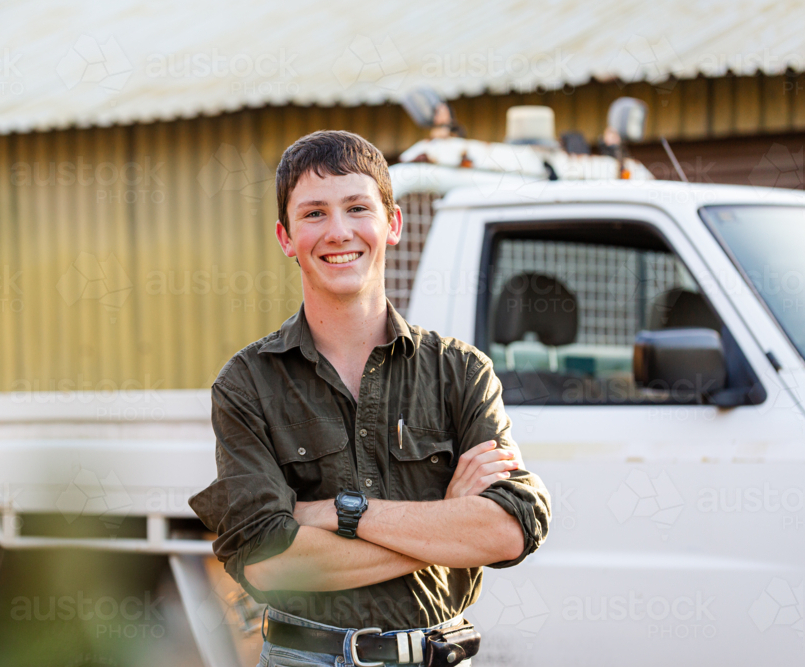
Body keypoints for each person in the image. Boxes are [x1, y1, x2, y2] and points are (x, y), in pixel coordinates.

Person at [189, 130, 550, 667]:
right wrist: (447, 520)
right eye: (314, 214)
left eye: (358, 207)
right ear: (286, 237)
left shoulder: (460, 372)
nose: (338, 232)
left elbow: (508, 528)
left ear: (393, 224)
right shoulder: (248, 385)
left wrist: (337, 514)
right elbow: (267, 561)